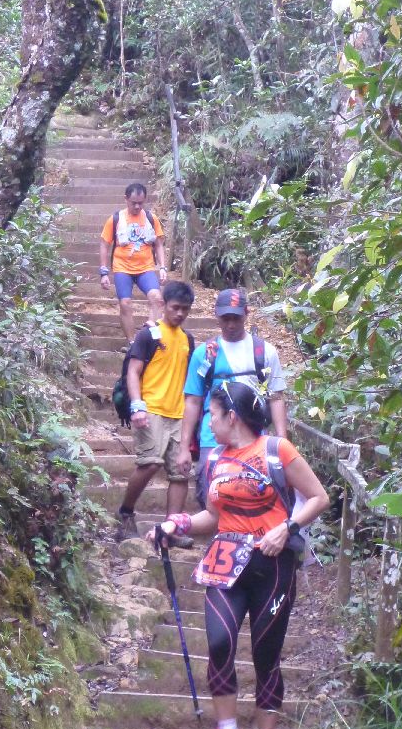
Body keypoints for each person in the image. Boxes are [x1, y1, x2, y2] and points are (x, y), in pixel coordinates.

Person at [150, 380, 329, 729]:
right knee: (218, 643)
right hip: (225, 563)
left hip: (274, 566)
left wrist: (288, 529)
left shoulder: (276, 451)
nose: (208, 424)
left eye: (212, 416)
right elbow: (213, 518)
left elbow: (318, 497)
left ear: (232, 416)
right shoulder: (215, 460)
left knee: (266, 652)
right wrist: (175, 524)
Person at [176, 287, 287, 509]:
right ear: (216, 315)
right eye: (225, 318)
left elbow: (276, 396)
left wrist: (282, 441)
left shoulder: (264, 351)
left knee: (254, 486)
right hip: (213, 433)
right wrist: (184, 447)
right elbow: (193, 401)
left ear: (246, 313)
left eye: (236, 318)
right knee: (208, 486)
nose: (231, 324)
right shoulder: (205, 353)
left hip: (255, 433)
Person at [115, 280, 196, 542]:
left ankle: (171, 529)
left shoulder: (187, 340)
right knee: (149, 464)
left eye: (185, 309)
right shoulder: (149, 334)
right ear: (163, 305)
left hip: (179, 414)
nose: (180, 313)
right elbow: (133, 371)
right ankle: (126, 512)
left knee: (180, 473)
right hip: (151, 410)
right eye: (175, 307)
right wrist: (137, 406)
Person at [99, 183, 167, 347]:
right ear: (126, 199)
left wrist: (163, 267)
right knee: (125, 303)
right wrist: (104, 271)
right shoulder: (115, 219)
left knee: (157, 298)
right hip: (122, 268)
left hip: (146, 268)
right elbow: (104, 244)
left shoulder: (151, 218)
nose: (137, 206)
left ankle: (151, 332)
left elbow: (158, 244)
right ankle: (132, 342)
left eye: (141, 203)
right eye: (133, 202)